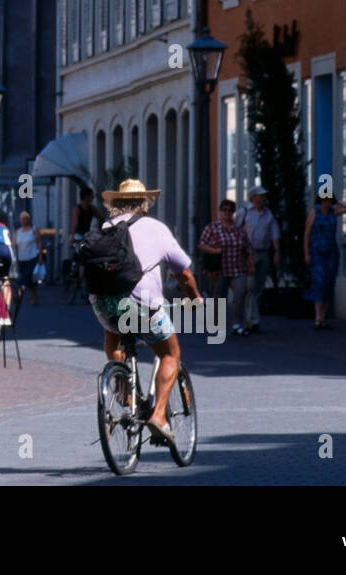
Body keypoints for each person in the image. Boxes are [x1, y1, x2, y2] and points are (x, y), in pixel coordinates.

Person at [88, 180, 202, 447]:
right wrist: (195, 300)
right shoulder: (155, 228)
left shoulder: (106, 227)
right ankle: (159, 416)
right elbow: (183, 274)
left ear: (114, 204)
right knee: (169, 353)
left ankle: (122, 387)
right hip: (142, 306)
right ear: (144, 203)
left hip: (103, 305)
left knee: (113, 330)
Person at [198, 200, 255, 336]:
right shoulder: (213, 227)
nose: (227, 213)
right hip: (219, 269)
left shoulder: (238, 230)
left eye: (230, 210)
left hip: (238, 267)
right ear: (220, 211)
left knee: (240, 294)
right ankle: (218, 324)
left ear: (233, 212)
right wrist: (214, 251)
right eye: (224, 210)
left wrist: (252, 265)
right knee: (219, 297)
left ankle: (237, 324)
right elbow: (201, 244)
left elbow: (248, 248)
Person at [304, 193, 346, 329]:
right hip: (317, 250)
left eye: (329, 201)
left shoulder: (334, 212)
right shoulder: (314, 213)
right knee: (319, 281)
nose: (326, 204)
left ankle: (323, 317)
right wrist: (307, 253)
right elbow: (307, 233)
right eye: (324, 201)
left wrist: (338, 202)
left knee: (329, 282)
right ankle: (317, 316)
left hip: (331, 251)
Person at [235, 185, 281, 333]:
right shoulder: (244, 212)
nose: (262, 198)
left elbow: (274, 232)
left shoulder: (268, 214)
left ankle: (253, 318)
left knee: (259, 287)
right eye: (259, 196)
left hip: (263, 252)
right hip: (248, 252)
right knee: (250, 286)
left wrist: (276, 252)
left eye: (263, 196)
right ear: (252, 197)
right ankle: (251, 319)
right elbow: (236, 231)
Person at [13, 211, 44, 305]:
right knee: (30, 282)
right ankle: (35, 299)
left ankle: (19, 294)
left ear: (29, 219)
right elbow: (13, 244)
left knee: (25, 278)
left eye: (25, 218)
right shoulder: (18, 232)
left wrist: (40, 256)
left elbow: (39, 243)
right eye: (22, 218)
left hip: (32, 257)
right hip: (22, 258)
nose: (24, 220)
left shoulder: (34, 229)